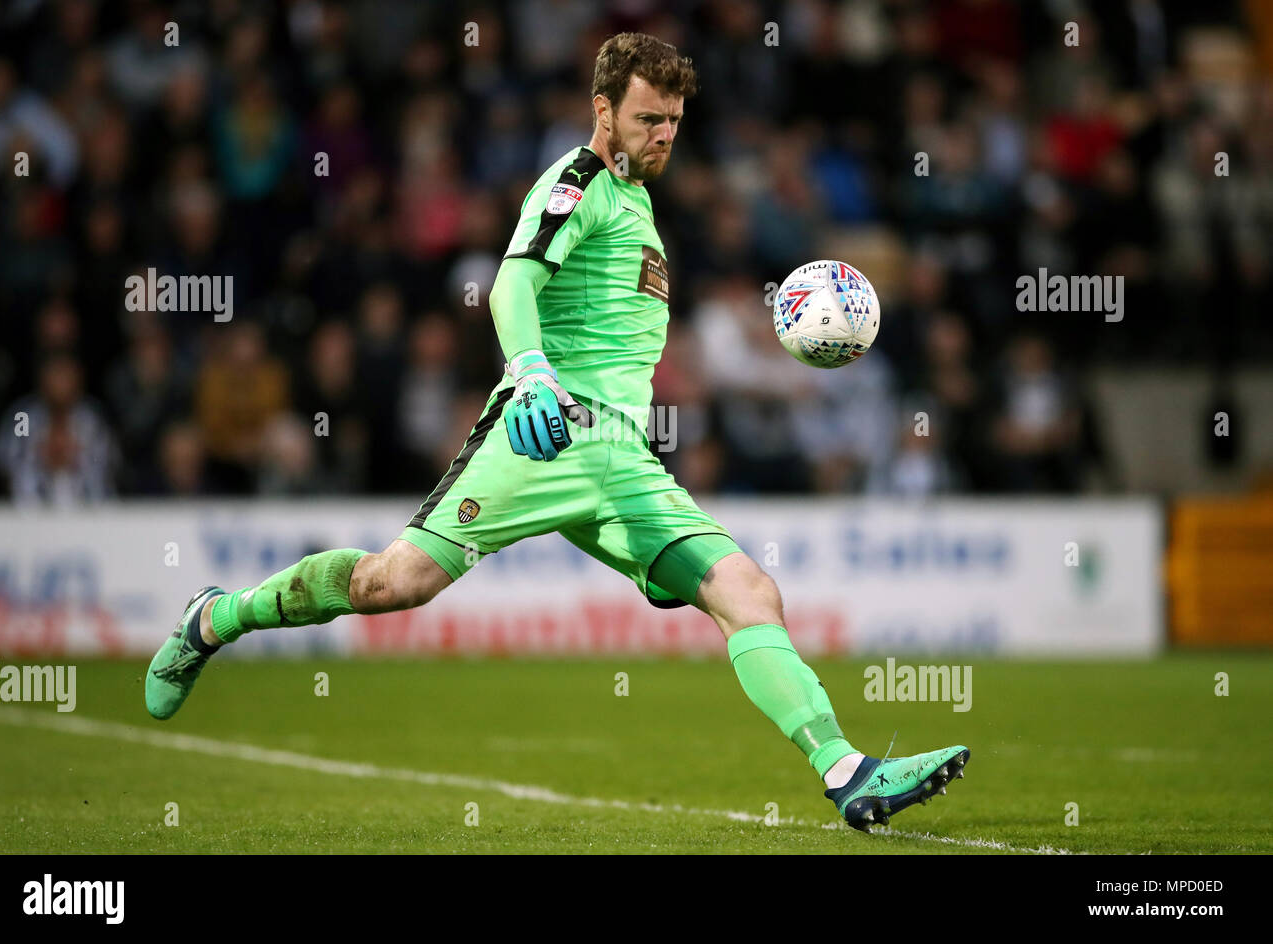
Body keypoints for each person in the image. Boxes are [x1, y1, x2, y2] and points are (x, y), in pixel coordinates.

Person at [145, 32, 967, 832]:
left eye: (675, 120)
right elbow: (512, 285)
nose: (665, 134)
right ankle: (216, 619)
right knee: (390, 586)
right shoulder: (576, 183)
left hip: (622, 458)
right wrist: (532, 371)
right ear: (603, 111)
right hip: (544, 436)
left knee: (749, 592)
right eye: (650, 118)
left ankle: (846, 772)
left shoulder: (639, 202)